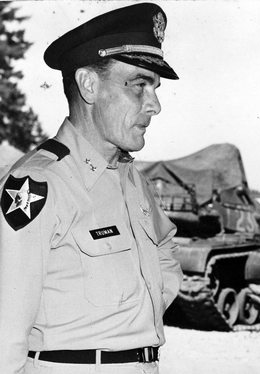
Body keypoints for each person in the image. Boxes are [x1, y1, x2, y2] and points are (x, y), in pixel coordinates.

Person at [0, 3, 183, 373]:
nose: (156, 105)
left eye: (156, 88)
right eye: (138, 85)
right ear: (89, 85)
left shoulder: (131, 178)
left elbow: (164, 247)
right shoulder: (38, 185)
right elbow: (4, 335)